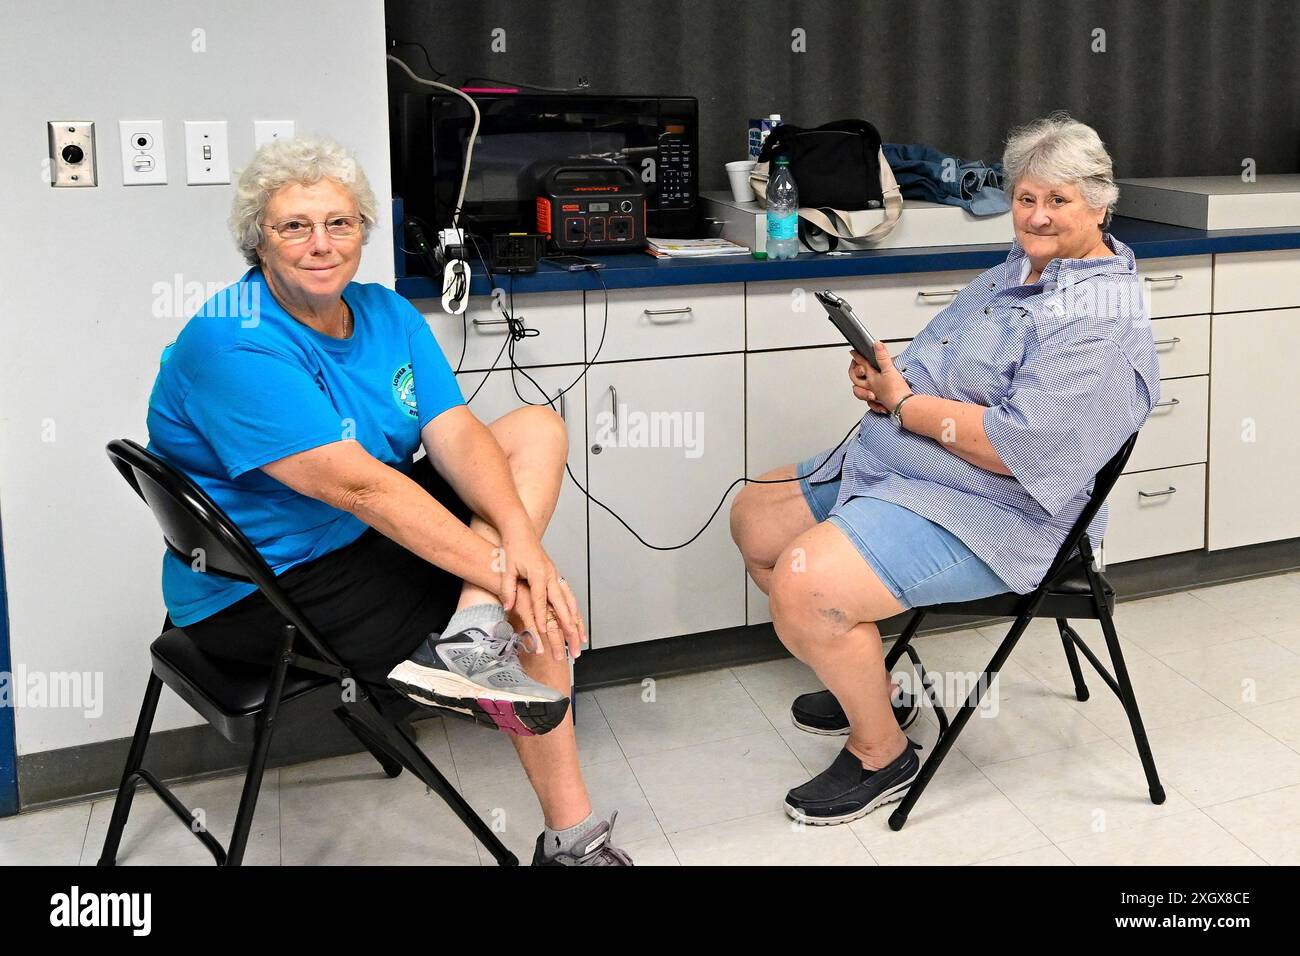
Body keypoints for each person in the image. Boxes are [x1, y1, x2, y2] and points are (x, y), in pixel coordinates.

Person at [146, 134, 630, 864]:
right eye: (294, 226)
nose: (321, 244)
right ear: (259, 241)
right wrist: (511, 573)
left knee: (534, 427)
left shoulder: (386, 312)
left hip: (357, 535)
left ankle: (468, 636)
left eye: (340, 223)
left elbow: (456, 431)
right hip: (266, 589)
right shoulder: (231, 340)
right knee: (535, 613)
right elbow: (361, 488)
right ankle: (575, 844)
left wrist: (518, 547)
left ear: (365, 231)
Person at [729, 112, 1161, 826]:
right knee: (756, 517)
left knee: (806, 587)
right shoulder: (1019, 270)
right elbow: (945, 362)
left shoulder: (1099, 317)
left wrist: (903, 405)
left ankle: (882, 751)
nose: (1038, 215)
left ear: (1101, 204)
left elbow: (1020, 449)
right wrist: (886, 377)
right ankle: (871, 680)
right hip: (915, 466)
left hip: (1004, 510)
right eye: (1026, 197)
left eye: (1060, 200)